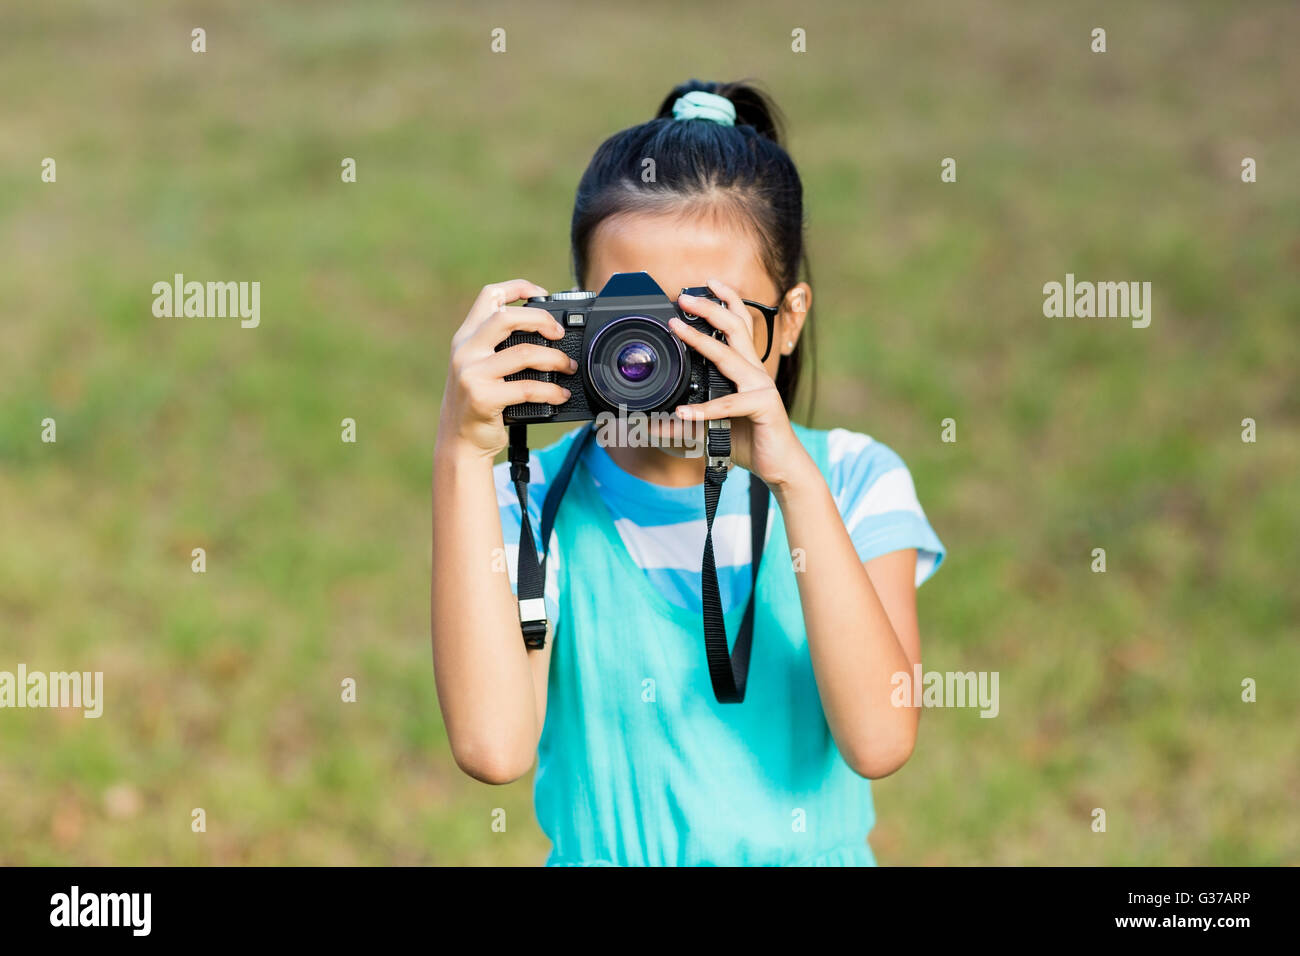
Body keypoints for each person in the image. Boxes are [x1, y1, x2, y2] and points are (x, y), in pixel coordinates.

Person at [431, 79, 946, 865]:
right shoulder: (534, 505)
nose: (658, 358)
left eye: (704, 320)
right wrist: (462, 455)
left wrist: (793, 481)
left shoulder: (850, 480)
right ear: (576, 314)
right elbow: (494, 749)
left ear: (790, 318)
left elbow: (879, 739)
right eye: (632, 318)